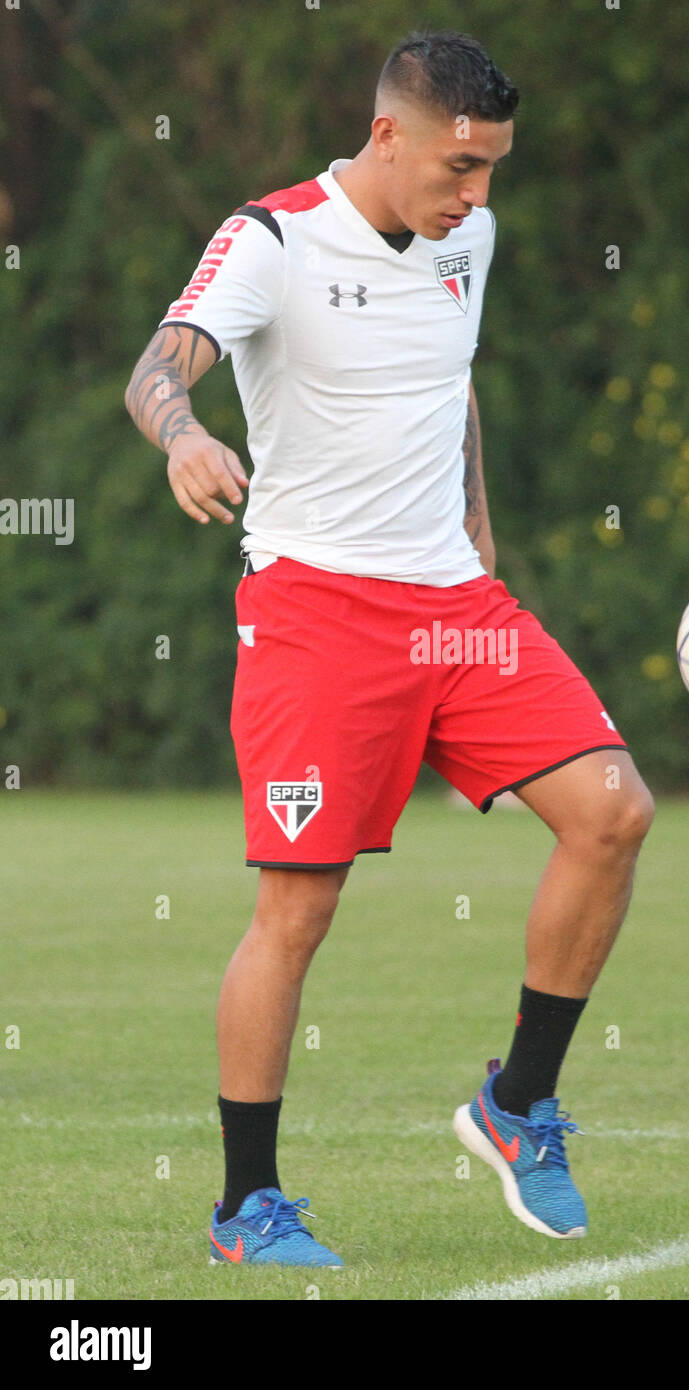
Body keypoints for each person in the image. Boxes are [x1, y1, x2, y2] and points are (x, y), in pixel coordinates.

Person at [125, 28, 654, 1268]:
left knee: (614, 811)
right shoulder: (271, 237)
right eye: (461, 166)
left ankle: (516, 1107)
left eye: (493, 171)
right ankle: (245, 1207)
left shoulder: (466, 234)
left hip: (458, 605)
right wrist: (182, 437)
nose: (477, 196)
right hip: (315, 613)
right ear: (386, 137)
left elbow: (449, 381)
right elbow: (161, 364)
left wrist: (480, 538)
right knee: (296, 912)